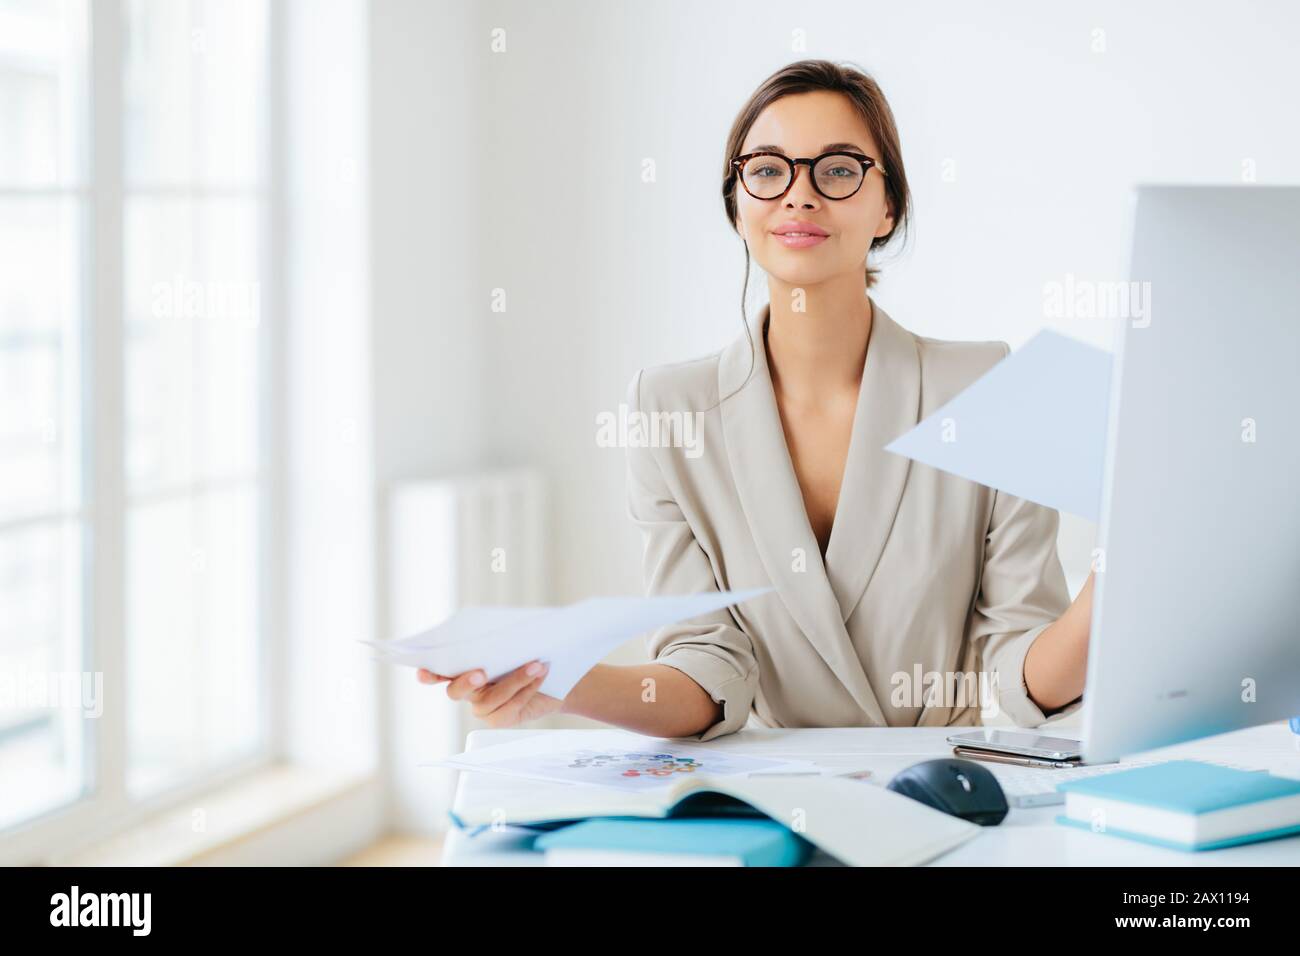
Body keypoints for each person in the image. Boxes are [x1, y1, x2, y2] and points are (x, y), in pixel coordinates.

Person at [418, 59, 1092, 740]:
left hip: (940, 789)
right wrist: (561, 679)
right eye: (768, 171)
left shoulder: (987, 389)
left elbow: (1020, 668)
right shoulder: (669, 408)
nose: (799, 196)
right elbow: (707, 669)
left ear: (888, 206)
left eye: (837, 169)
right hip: (769, 794)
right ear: (738, 205)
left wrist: (1118, 576)